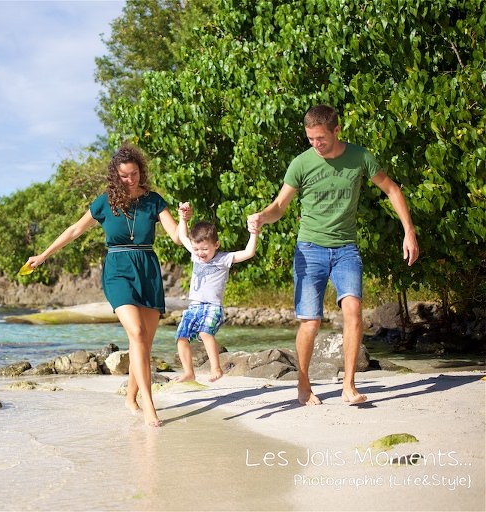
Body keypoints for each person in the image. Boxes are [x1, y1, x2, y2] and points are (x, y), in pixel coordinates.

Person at [247, 104, 419, 406]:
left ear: (336, 131)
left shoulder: (360, 157)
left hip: (346, 250)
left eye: (321, 138)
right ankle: (303, 383)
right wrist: (262, 216)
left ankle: (349, 385)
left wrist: (409, 231)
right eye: (310, 139)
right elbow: (279, 206)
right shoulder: (301, 164)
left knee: (353, 311)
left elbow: (392, 189)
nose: (316, 144)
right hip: (309, 250)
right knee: (310, 323)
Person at [25, 143, 183, 427]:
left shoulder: (154, 200)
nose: (130, 179)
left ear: (140, 171)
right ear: (115, 175)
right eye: (123, 175)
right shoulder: (104, 202)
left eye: (134, 173)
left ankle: (130, 398)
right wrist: (44, 254)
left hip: (147, 269)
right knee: (135, 332)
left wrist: (184, 220)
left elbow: (174, 236)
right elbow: (74, 230)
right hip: (118, 269)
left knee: (144, 342)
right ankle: (149, 405)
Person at [173, 209, 258, 383]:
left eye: (204, 248)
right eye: (196, 249)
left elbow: (248, 253)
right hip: (194, 306)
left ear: (216, 244)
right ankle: (189, 372)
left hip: (212, 306)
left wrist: (254, 233)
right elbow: (183, 237)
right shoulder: (195, 256)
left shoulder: (224, 258)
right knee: (181, 337)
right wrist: (183, 219)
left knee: (205, 333)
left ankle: (216, 368)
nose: (200, 253)